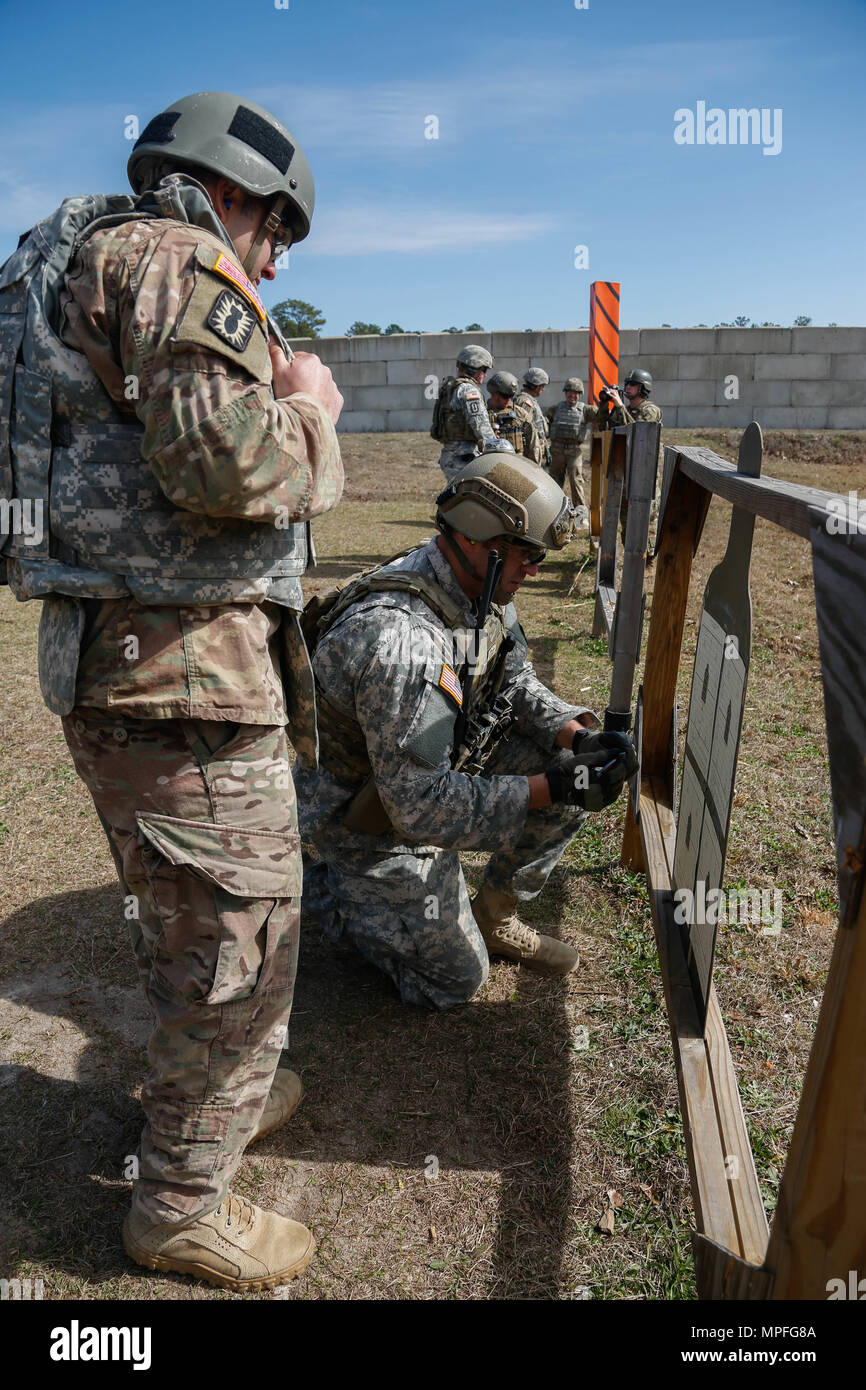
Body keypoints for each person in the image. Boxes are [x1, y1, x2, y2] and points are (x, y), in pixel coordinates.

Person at [0, 90, 344, 1291]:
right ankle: (183, 1201)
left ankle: (210, 1100)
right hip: (180, 676)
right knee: (242, 945)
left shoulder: (85, 257)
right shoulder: (178, 255)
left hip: (127, 666)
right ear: (238, 192)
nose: (271, 260)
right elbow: (226, 460)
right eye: (278, 235)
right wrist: (308, 407)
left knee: (192, 920)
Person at [295, 452, 637, 1010]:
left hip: (420, 778)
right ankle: (324, 887)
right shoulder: (403, 644)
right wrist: (557, 785)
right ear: (480, 538)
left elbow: (514, 680)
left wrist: (577, 740)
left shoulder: (475, 587)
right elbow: (419, 808)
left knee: (562, 778)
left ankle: (494, 914)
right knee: (456, 979)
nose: (534, 568)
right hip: (361, 822)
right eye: (526, 554)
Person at [431, 344, 497, 480]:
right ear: (474, 368)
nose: (485, 374)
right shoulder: (469, 390)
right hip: (464, 458)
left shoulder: (451, 387)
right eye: (484, 369)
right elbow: (481, 427)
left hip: (452, 454)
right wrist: (498, 450)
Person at [546, 377, 589, 518]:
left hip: (574, 450)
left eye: (576, 393)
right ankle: (553, 510)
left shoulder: (585, 410)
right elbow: (545, 421)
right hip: (557, 450)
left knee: (576, 480)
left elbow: (600, 416)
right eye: (570, 392)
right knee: (554, 481)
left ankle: (580, 513)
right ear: (565, 393)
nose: (573, 395)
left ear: (580, 394)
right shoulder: (556, 408)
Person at [486, 371, 544, 464]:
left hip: (516, 464)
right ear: (494, 393)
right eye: (505, 396)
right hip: (490, 464)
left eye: (510, 396)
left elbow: (533, 445)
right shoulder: (483, 414)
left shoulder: (520, 414)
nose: (508, 400)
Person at [515, 368, 551, 465]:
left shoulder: (531, 400)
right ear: (537, 386)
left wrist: (546, 448)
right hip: (529, 452)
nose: (543, 389)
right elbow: (523, 428)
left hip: (536, 448)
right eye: (542, 386)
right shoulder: (525, 402)